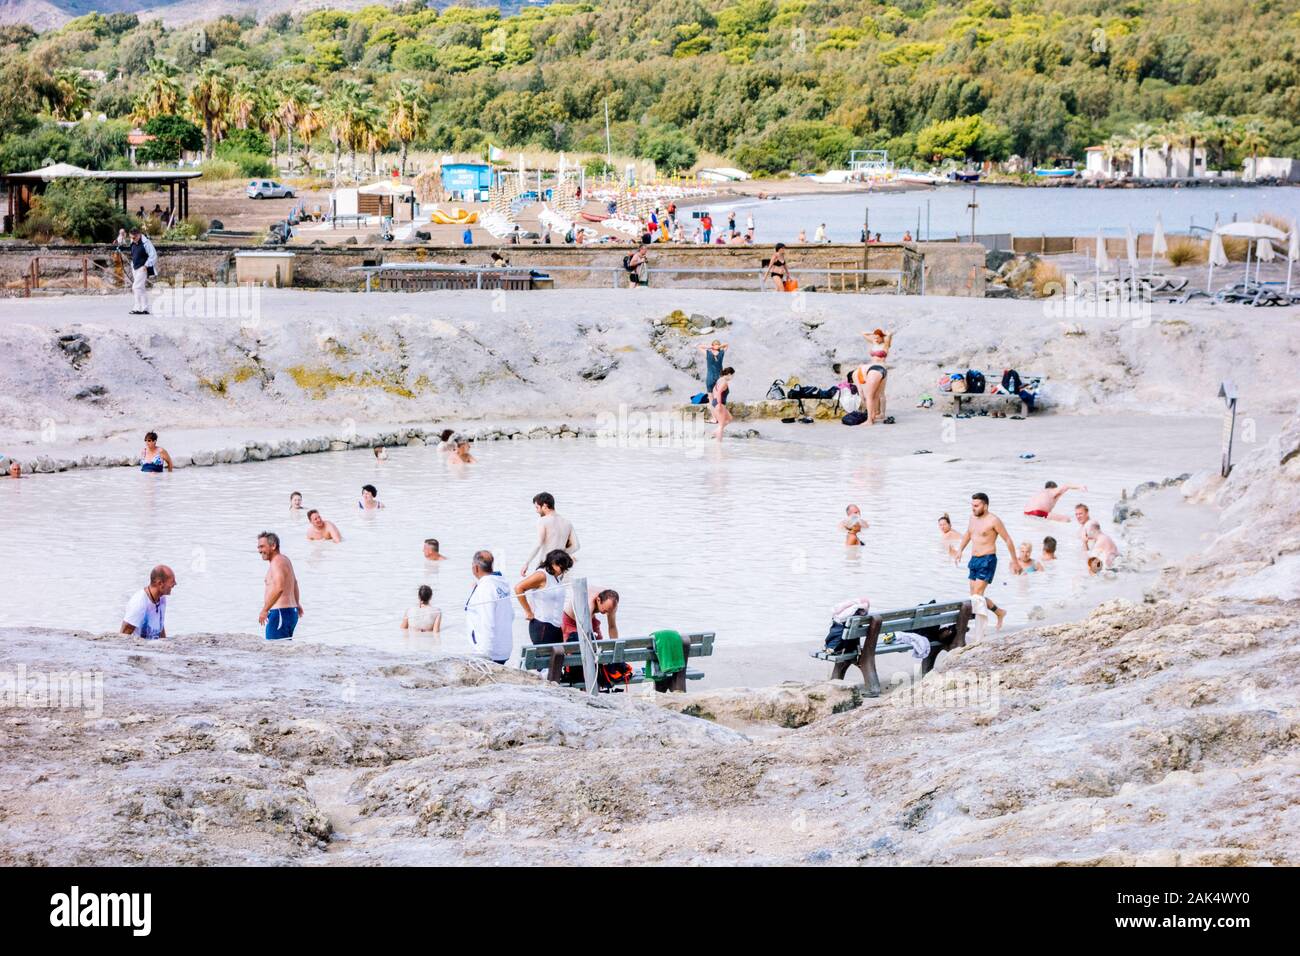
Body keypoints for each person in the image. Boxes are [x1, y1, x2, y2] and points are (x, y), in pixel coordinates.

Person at [954, 492, 1021, 630]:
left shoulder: (993, 520)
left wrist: (1015, 561)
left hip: (987, 560)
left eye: (976, 506)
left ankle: (981, 630)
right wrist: (960, 549)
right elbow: (968, 533)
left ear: (985, 505)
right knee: (974, 597)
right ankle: (999, 612)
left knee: (977, 596)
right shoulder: (972, 518)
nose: (973, 508)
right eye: (972, 505)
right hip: (974, 560)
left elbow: (1008, 539)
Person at [465, 550, 514, 664]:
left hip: (489, 653)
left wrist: (484, 654)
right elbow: (511, 615)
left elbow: (487, 621)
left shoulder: (486, 588)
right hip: (504, 648)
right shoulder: (499, 583)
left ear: (475, 568)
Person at [515, 548, 573, 645]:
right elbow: (518, 588)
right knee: (545, 659)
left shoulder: (556, 577)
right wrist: (528, 611)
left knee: (559, 658)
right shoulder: (541, 575)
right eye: (562, 568)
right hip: (542, 625)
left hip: (556, 626)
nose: (563, 571)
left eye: (565, 569)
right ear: (553, 563)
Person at [520, 492, 580, 576]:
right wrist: (560, 554)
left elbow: (538, 543)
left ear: (544, 506)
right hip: (560, 566)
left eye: (537, 507)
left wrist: (526, 563)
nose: (536, 511)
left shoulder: (543, 521)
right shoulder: (567, 522)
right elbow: (576, 546)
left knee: (533, 588)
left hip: (546, 564)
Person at [257, 531, 302, 641]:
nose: (259, 551)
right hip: (288, 612)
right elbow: (294, 583)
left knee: (274, 652)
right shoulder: (284, 559)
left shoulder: (277, 562)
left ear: (273, 546)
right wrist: (297, 604)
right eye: (258, 547)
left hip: (280, 613)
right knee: (283, 651)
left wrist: (265, 610)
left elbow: (279, 587)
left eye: (262, 546)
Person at [121, 565, 176, 640]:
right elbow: (122, 637)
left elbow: (160, 627)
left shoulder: (162, 598)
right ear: (160, 584)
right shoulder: (139, 602)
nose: (175, 584)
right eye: (172, 581)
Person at [851, 328, 893, 424]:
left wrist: (885, 334)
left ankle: (882, 413)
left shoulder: (886, 344)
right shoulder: (874, 342)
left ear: (882, 337)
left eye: (878, 338)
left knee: (881, 393)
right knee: (874, 393)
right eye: (875, 338)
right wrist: (873, 333)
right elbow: (863, 333)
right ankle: (875, 412)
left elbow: (889, 335)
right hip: (873, 366)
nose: (876, 339)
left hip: (881, 367)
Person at [698, 339, 728, 408]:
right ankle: (720, 416)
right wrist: (719, 346)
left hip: (710, 378)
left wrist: (710, 347)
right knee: (719, 398)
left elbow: (699, 346)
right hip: (719, 378)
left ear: (712, 345)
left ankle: (714, 417)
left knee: (711, 399)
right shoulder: (721, 353)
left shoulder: (708, 354)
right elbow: (726, 344)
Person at [128, 228, 152, 314]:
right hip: (135, 268)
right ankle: (145, 309)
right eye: (131, 238)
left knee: (136, 287)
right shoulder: (133, 242)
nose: (132, 240)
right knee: (141, 288)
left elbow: (153, 255)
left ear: (138, 235)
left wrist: (146, 265)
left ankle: (137, 308)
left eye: (134, 238)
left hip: (142, 268)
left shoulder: (146, 243)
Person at [711, 366, 734, 441]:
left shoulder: (719, 380)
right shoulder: (724, 383)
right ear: (729, 374)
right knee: (721, 425)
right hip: (719, 403)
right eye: (732, 375)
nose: (732, 377)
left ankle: (715, 432)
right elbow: (718, 393)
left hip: (716, 402)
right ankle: (719, 445)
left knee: (730, 418)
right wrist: (719, 404)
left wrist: (715, 402)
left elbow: (714, 390)